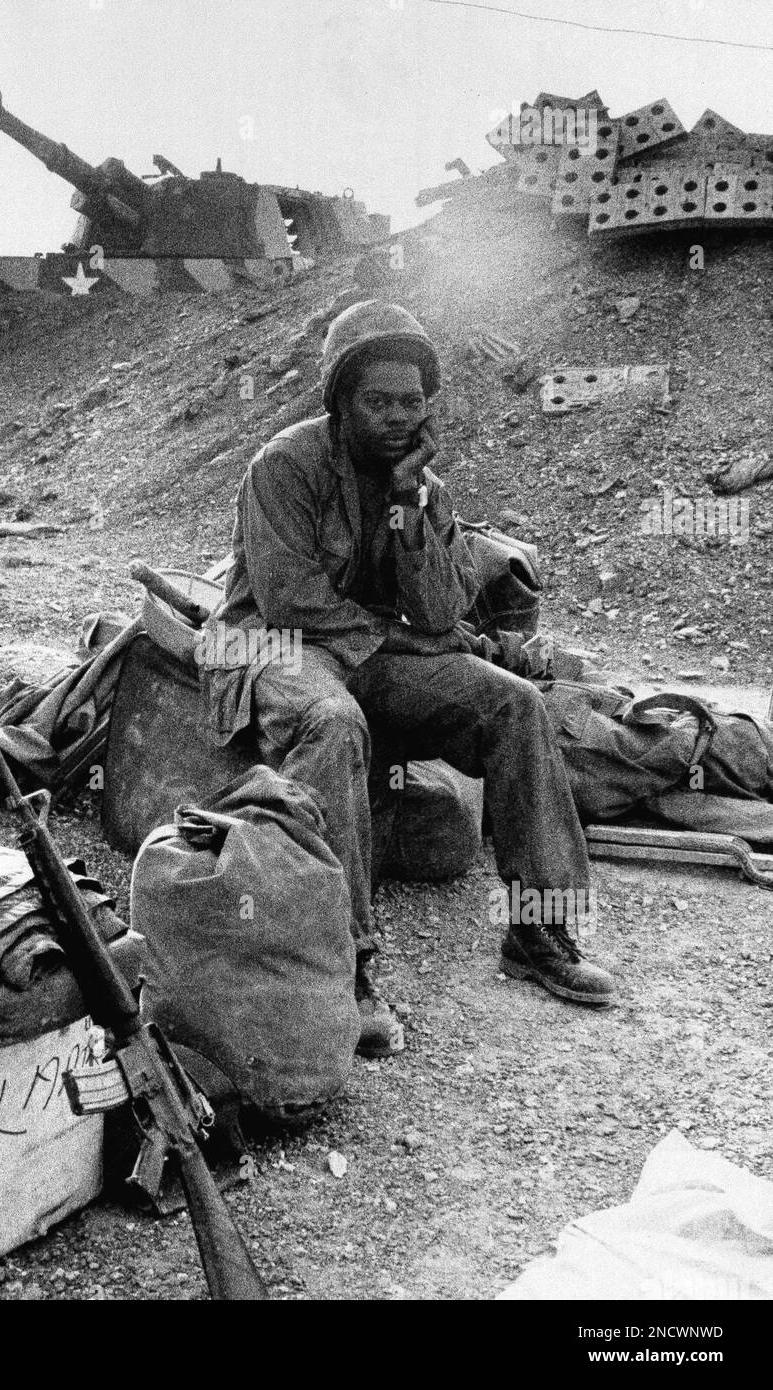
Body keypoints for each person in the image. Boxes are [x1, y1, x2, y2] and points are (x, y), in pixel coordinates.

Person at [200, 300, 617, 1056]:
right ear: (341, 401)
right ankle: (345, 966)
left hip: (372, 650)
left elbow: (440, 608)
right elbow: (290, 597)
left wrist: (409, 503)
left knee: (514, 703)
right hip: (273, 642)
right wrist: (402, 638)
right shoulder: (284, 465)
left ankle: (538, 930)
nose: (397, 416)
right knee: (333, 721)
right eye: (378, 401)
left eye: (411, 402)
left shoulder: (424, 486)